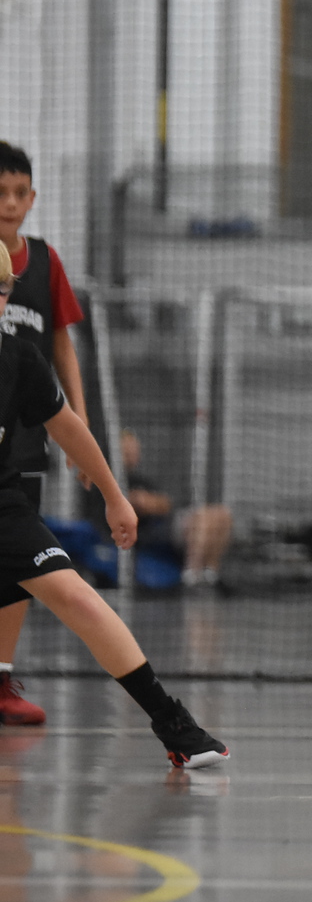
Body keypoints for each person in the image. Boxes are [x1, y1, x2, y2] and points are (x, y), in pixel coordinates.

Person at [0, 245, 226, 768]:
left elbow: (67, 428)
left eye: (2, 289)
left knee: (76, 596)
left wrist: (114, 495)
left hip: (5, 506)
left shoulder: (18, 358)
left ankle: (173, 724)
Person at [0, 141, 90, 726]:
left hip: (24, 437)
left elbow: (62, 345)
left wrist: (77, 428)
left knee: (18, 563)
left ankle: (1, 676)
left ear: (33, 198)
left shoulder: (46, 263)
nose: (9, 203)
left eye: (19, 192)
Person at [120, 429, 234, 588]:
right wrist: (150, 502)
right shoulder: (117, 480)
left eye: (135, 449)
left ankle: (209, 572)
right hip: (153, 533)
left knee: (223, 515)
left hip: (168, 521)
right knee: (201, 520)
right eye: (128, 450)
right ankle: (191, 574)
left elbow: (165, 503)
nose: (134, 453)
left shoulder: (141, 479)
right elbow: (140, 503)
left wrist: (154, 502)